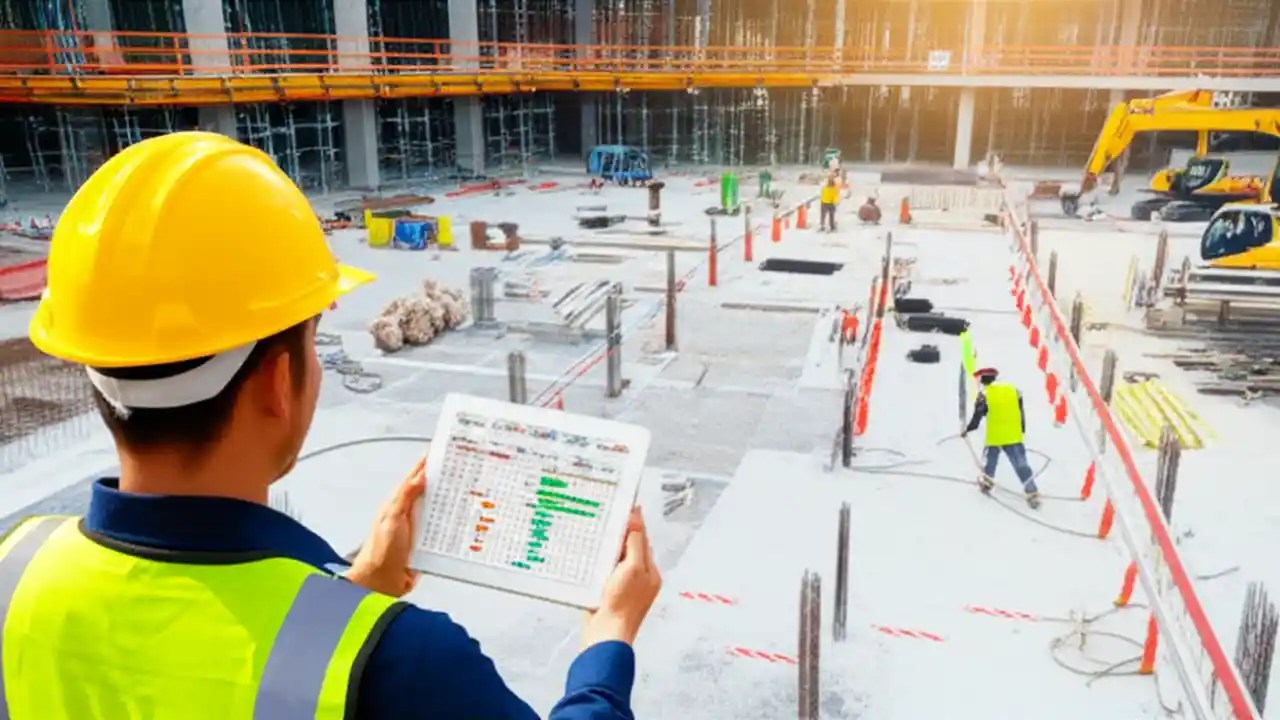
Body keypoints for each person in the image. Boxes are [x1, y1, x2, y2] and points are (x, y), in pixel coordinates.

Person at [6, 131, 661, 719]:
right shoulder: (404, 665)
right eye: (313, 343)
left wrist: (355, 588)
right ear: (275, 386)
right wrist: (608, 645)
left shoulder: (15, 570)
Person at [961, 367, 1041, 509]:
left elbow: (978, 416)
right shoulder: (1013, 390)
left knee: (990, 460)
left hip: (996, 436)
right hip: (1013, 434)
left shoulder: (984, 394)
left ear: (983, 379)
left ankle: (986, 483)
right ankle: (1032, 492)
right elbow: (1021, 411)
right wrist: (1022, 429)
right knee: (1021, 464)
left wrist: (967, 429)